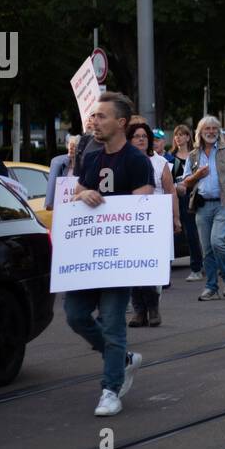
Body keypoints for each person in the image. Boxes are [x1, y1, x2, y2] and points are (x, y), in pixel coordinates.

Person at [65, 92, 154, 417]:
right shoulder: (90, 155)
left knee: (114, 323)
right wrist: (83, 192)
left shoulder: (136, 160)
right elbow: (78, 188)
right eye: (94, 116)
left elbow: (143, 202)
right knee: (75, 315)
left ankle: (110, 389)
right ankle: (124, 359)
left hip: (119, 257)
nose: (95, 122)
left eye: (102, 116)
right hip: (89, 256)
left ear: (121, 123)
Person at [185, 115, 225, 300]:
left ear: (218, 132)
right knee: (207, 249)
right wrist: (198, 175)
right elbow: (186, 182)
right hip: (202, 205)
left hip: (222, 204)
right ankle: (211, 287)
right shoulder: (194, 154)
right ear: (200, 133)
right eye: (206, 129)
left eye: (214, 129)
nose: (210, 132)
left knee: (217, 241)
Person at [126, 122, 180, 327]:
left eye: (144, 136)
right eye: (136, 136)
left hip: (153, 222)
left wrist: (175, 218)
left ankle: (153, 308)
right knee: (132, 269)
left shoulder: (159, 162)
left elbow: (170, 191)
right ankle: (138, 311)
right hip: (130, 222)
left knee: (148, 268)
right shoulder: (124, 161)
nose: (141, 139)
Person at [170, 124, 205, 281]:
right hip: (179, 198)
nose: (178, 137)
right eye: (176, 135)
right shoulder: (170, 158)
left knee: (199, 231)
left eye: (182, 134)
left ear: (188, 137)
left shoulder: (195, 155)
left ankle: (202, 265)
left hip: (196, 196)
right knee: (185, 232)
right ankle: (194, 266)